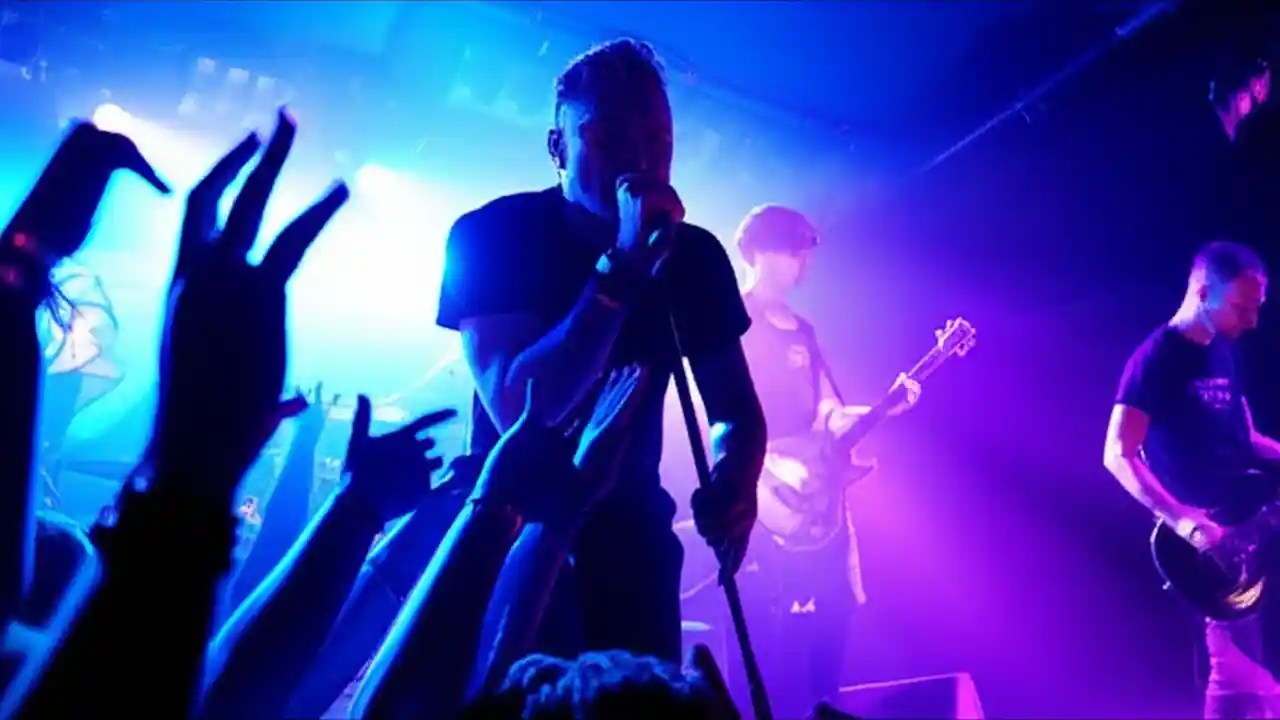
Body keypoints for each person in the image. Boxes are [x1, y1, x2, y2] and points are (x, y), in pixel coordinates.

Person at [436, 37, 767, 663]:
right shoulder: (491, 235)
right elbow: (521, 408)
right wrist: (620, 271)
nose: (641, 158)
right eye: (612, 137)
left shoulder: (693, 256)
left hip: (632, 543)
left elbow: (733, 409)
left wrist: (736, 475)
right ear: (557, 145)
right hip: (509, 527)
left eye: (660, 140)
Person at [731, 205, 918, 714]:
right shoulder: (732, 322)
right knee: (770, 615)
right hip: (761, 489)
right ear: (762, 253)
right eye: (795, 253)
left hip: (818, 494)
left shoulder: (804, 331)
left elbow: (829, 411)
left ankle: (824, 704)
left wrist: (887, 404)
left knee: (837, 602)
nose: (803, 264)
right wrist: (765, 468)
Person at [1103, 240, 1280, 719]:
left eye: (1256, 309)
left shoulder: (1224, 352)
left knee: (1258, 689)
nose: (1252, 322)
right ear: (1204, 292)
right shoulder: (1156, 358)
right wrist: (1184, 522)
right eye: (1243, 308)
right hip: (1207, 553)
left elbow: (1246, 437)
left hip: (1251, 532)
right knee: (1242, 688)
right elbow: (1117, 454)